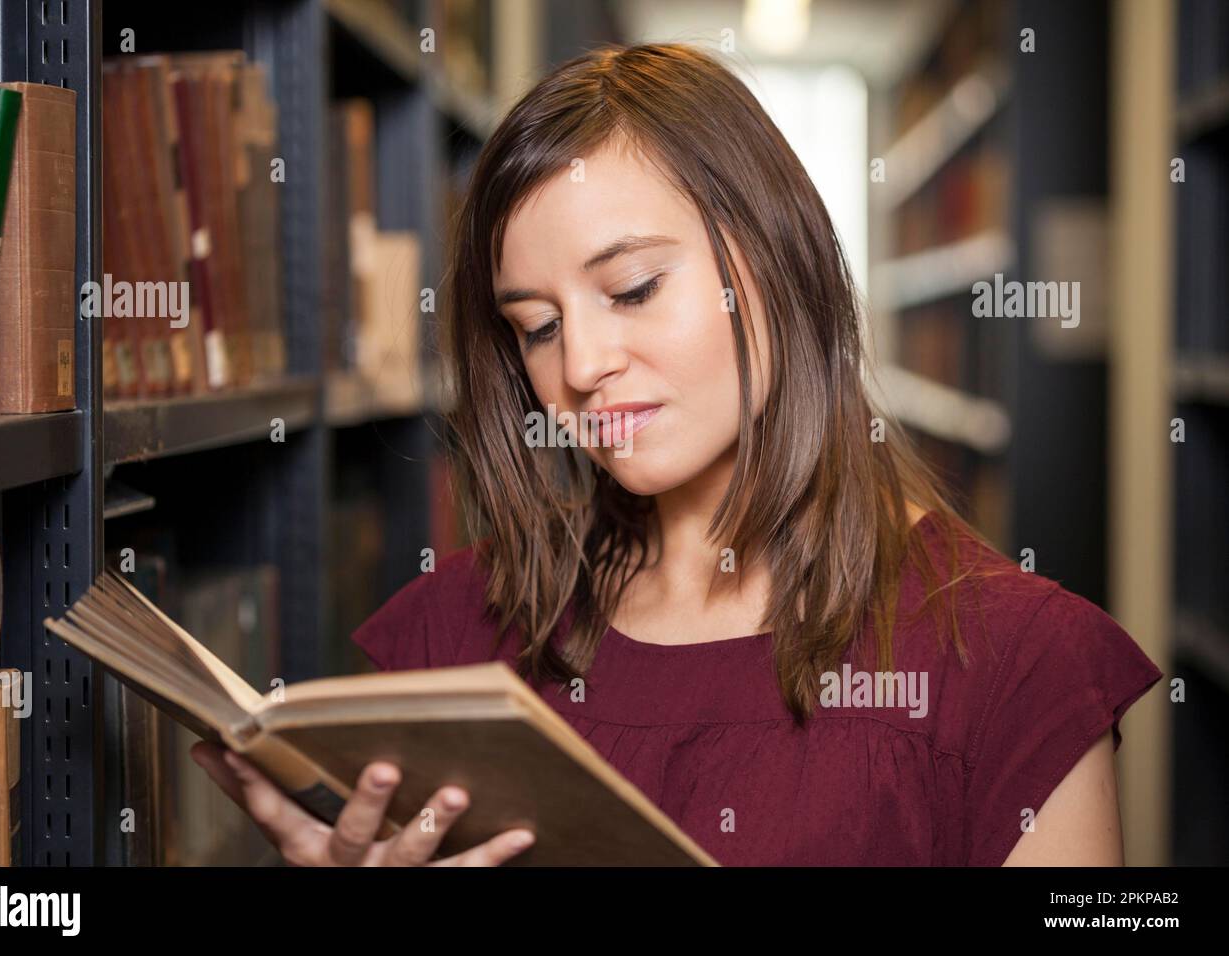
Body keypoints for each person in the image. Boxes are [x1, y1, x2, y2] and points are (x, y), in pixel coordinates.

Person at [192, 42, 1162, 867]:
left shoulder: (1015, 661)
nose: (579, 364)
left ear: (776, 262)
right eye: (534, 326)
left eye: (633, 288)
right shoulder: (452, 636)